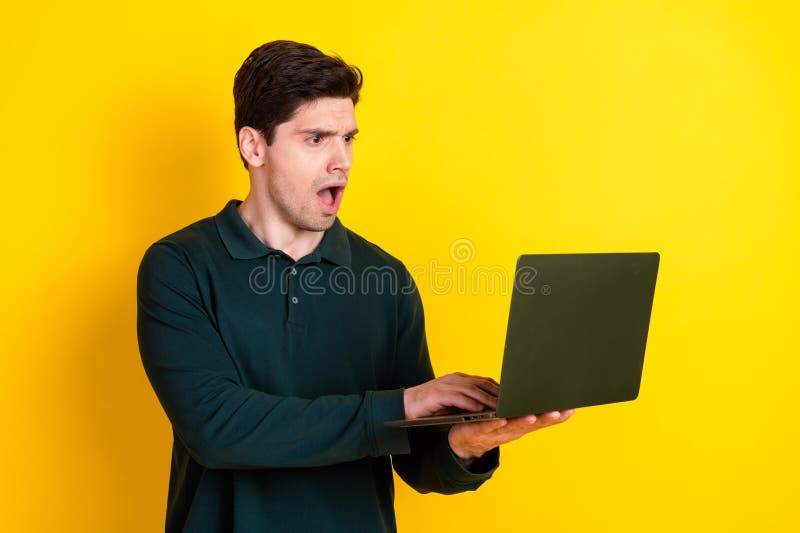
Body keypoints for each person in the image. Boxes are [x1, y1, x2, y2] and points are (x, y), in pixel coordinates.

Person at [137, 40, 574, 533]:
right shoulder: (179, 267)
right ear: (253, 146)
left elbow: (416, 458)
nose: (340, 161)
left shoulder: (385, 279)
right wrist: (400, 406)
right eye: (316, 139)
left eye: (348, 139)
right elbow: (218, 429)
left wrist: (464, 446)